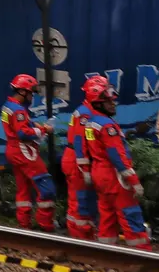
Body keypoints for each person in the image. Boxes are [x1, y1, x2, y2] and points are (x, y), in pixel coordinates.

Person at [84, 83, 152, 249]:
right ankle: (141, 254)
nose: (113, 104)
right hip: (114, 176)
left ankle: (107, 254)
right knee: (130, 215)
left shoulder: (91, 123)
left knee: (107, 217)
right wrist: (134, 181)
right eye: (109, 101)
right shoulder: (107, 126)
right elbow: (117, 156)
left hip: (99, 173)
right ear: (98, 103)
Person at [1, 74, 56, 231]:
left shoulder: (8, 106)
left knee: (23, 189)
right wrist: (44, 129)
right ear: (23, 92)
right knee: (46, 187)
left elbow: (18, 125)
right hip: (24, 151)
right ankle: (45, 226)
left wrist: (33, 124)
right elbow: (23, 133)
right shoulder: (18, 110)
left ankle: (24, 226)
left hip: (13, 150)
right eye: (31, 92)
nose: (33, 95)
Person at [63, 76, 104, 240]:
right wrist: (85, 168)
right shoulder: (85, 114)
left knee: (83, 200)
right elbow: (80, 142)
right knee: (79, 200)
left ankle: (83, 235)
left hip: (77, 158)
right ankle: (79, 239)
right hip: (76, 160)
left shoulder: (88, 111)